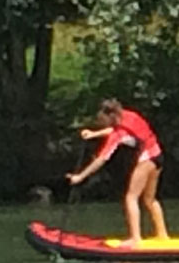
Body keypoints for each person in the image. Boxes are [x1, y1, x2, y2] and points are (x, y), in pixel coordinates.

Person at [68, 99, 169, 245]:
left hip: (147, 159)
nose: (101, 121)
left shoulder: (118, 134)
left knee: (131, 197)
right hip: (158, 155)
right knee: (149, 199)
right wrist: (94, 134)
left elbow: (101, 159)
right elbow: (116, 129)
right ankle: (162, 235)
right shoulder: (129, 115)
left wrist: (80, 177)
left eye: (102, 118)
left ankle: (135, 239)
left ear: (111, 115)